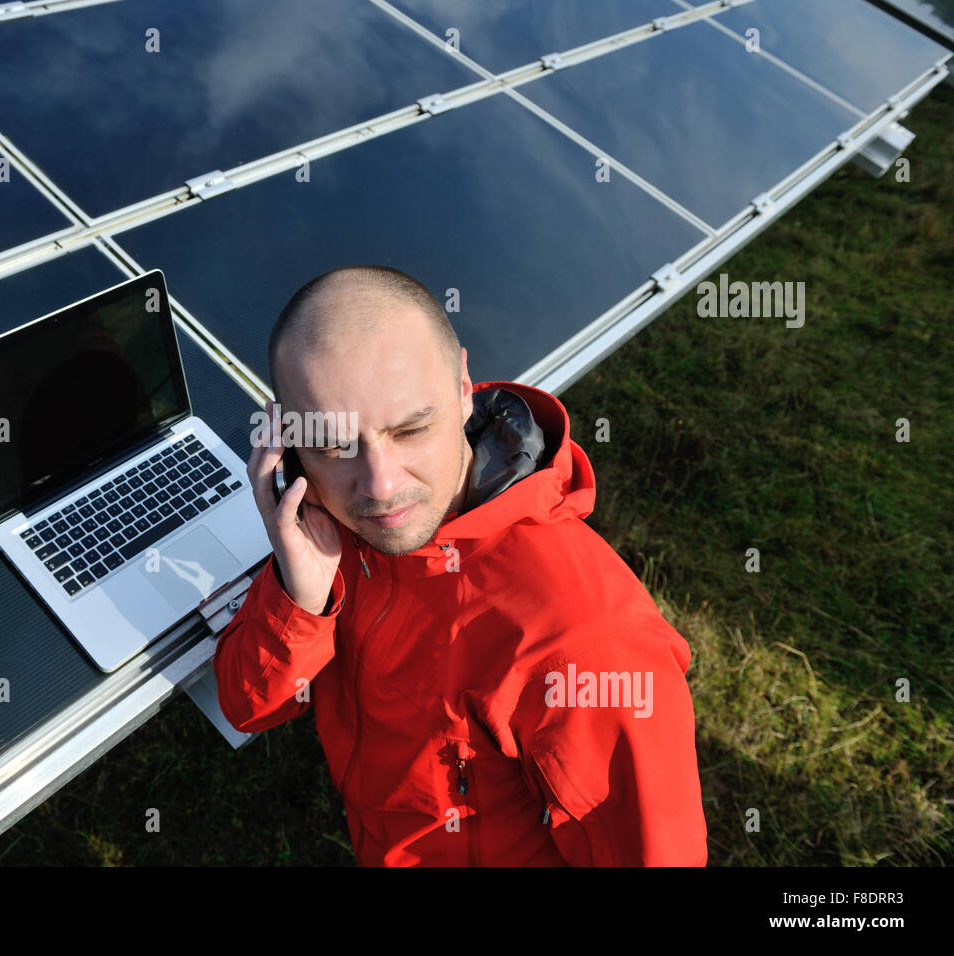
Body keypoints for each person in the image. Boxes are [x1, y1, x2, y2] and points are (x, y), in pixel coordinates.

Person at [213, 264, 708, 865]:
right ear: (286, 441)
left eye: (412, 429)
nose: (380, 485)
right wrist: (302, 595)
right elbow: (249, 704)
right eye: (333, 444)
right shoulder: (334, 530)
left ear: (463, 387)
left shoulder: (586, 646)